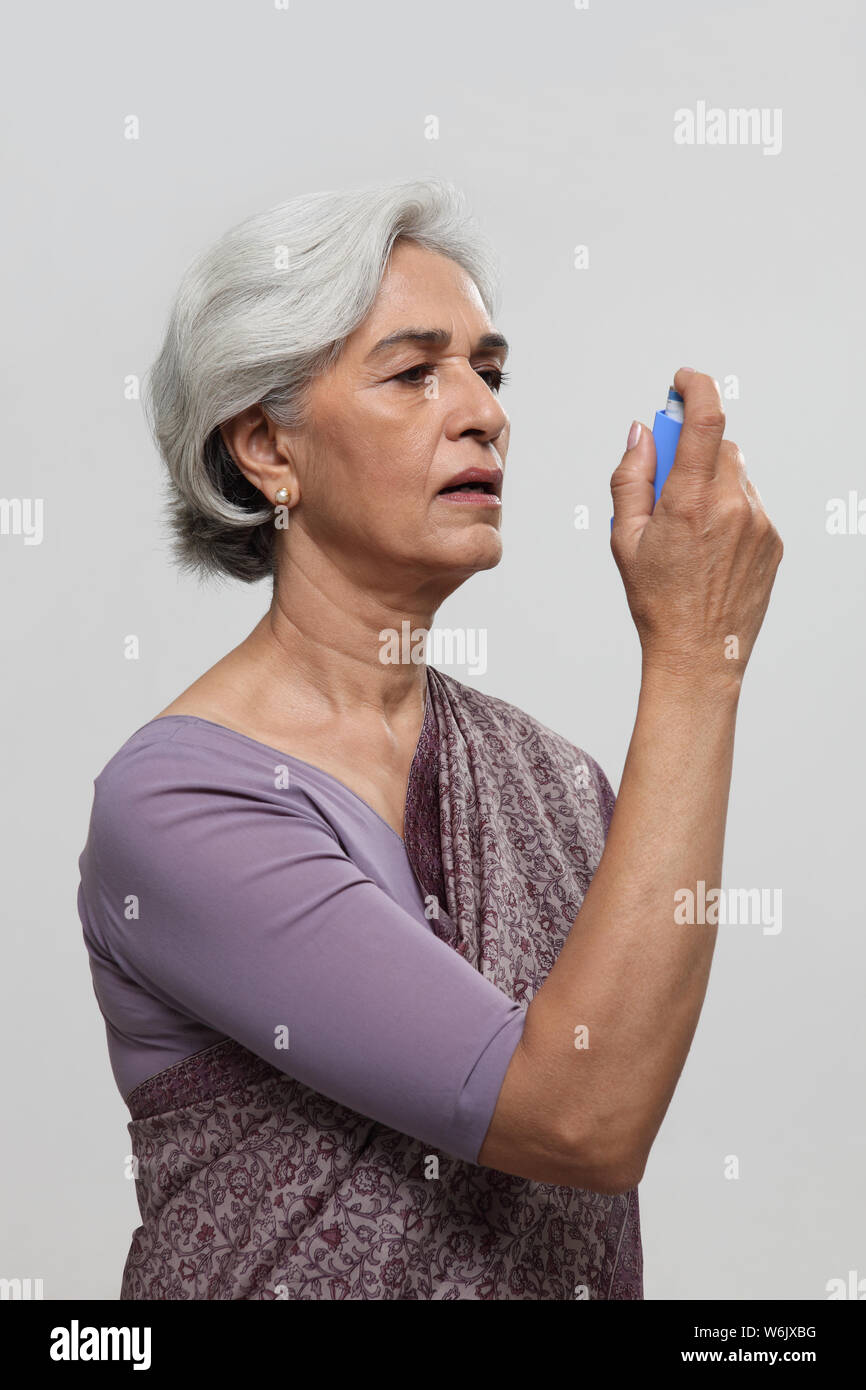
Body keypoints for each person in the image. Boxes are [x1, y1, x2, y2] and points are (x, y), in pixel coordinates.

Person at [76, 178, 783, 1300]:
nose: (484, 411)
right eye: (414, 373)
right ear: (266, 447)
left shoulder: (555, 782)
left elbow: (619, 1104)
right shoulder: (178, 804)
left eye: (487, 372)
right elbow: (573, 1116)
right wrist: (696, 658)